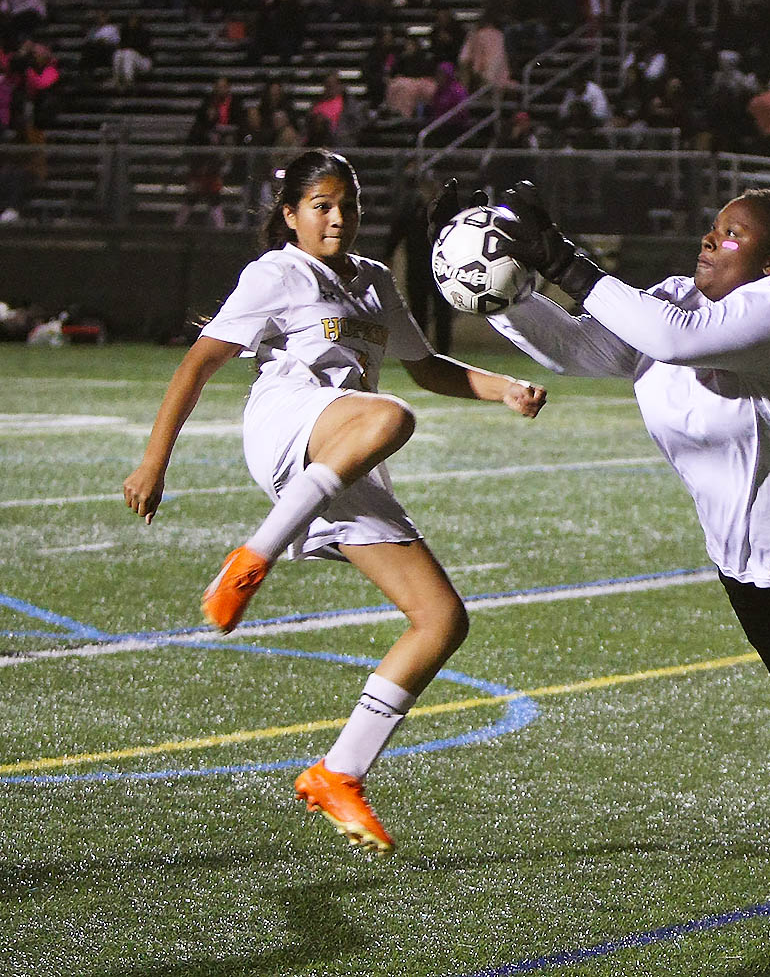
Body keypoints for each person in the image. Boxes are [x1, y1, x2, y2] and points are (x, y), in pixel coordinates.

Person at [471, 179, 770, 885]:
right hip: (750, 565)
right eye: (713, 227)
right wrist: (495, 284)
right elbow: (577, 348)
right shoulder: (671, 302)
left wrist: (564, 260)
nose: (709, 239)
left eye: (732, 235)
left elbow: (671, 340)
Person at [123, 150, 547, 852]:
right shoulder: (276, 273)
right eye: (321, 205)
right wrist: (153, 459)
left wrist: (502, 387)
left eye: (346, 204)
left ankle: (338, 772)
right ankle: (252, 557)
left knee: (440, 620)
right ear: (290, 214)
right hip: (288, 425)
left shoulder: (375, 280)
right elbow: (200, 361)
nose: (338, 217)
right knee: (391, 417)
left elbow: (428, 366)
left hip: (349, 452)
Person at [384, 165, 454, 354]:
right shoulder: (412, 208)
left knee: (442, 313)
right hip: (417, 268)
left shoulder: (446, 210)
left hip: (442, 269)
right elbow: (397, 232)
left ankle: (443, 353)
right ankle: (421, 352)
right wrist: (388, 255)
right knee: (418, 311)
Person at [111, 13, 153, 90]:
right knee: (118, 54)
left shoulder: (144, 33)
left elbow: (142, 48)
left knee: (128, 53)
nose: (132, 22)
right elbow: (119, 46)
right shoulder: (124, 33)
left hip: (143, 61)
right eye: (130, 20)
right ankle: (118, 81)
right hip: (127, 60)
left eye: (134, 20)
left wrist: (128, 47)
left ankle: (129, 81)